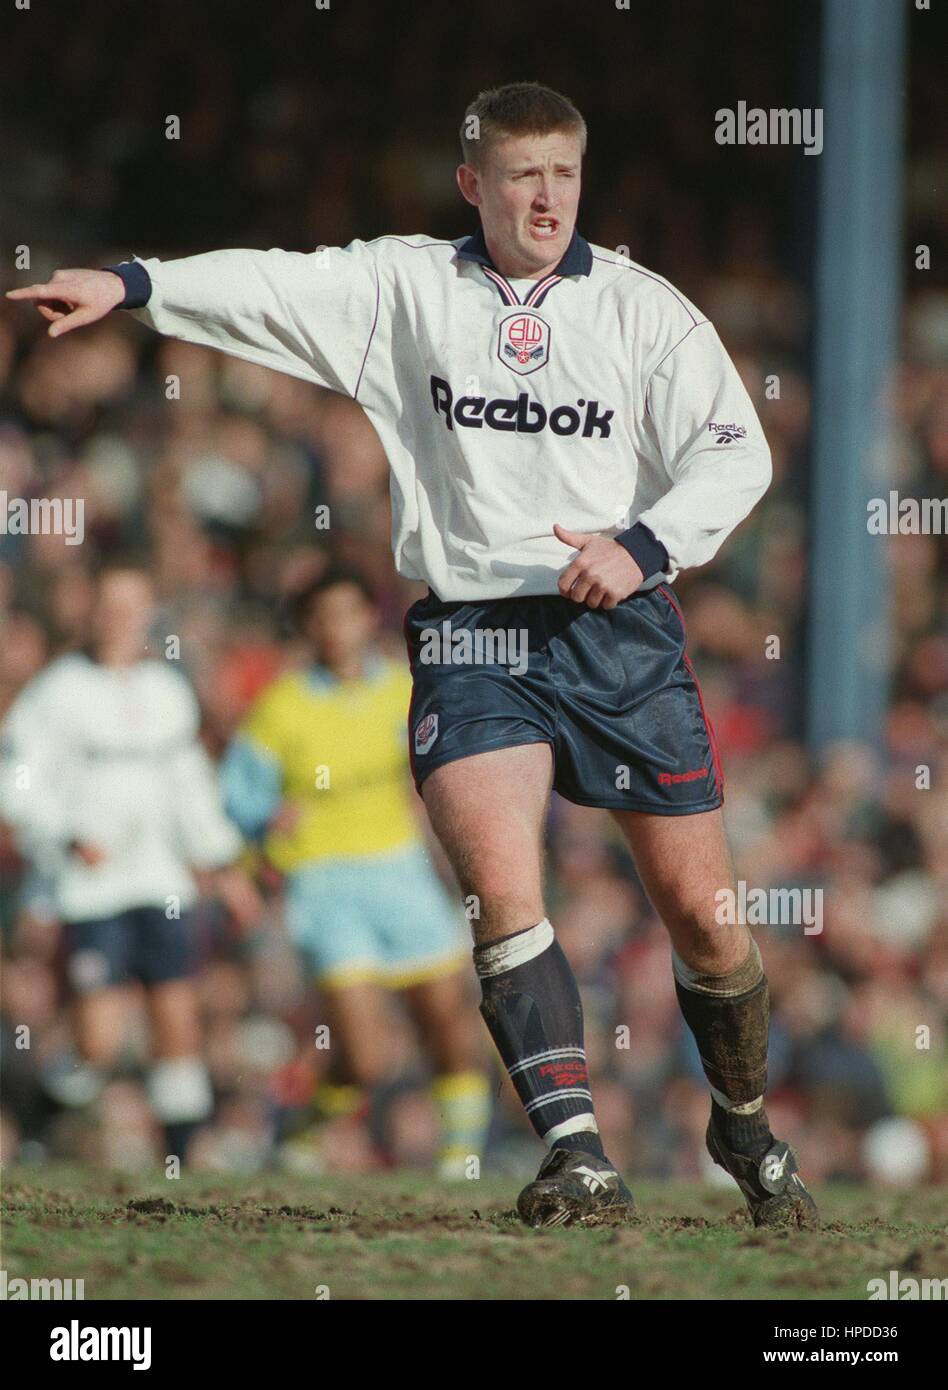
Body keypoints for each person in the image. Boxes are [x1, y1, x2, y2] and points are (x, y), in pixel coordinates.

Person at [6, 81, 817, 1227]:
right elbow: (272, 283)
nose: (547, 199)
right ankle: (577, 1154)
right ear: (471, 183)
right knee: (499, 888)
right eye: (524, 175)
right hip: (473, 632)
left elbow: (736, 456)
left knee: (704, 916)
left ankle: (742, 1119)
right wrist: (135, 283)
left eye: (566, 176)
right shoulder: (405, 286)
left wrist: (642, 545)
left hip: (616, 629)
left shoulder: (646, 311)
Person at [220, 566, 490, 1179]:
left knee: (447, 1022)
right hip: (323, 885)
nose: (337, 628)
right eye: (323, 616)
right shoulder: (280, 709)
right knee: (366, 1058)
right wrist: (252, 850)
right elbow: (236, 803)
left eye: (348, 613)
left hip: (401, 874)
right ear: (307, 627)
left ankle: (459, 1161)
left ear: (369, 618)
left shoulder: (403, 690)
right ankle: (301, 1129)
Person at [0, 562, 259, 1163]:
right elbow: (17, 780)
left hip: (160, 880)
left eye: (132, 606)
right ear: (92, 611)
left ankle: (183, 1163)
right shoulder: (56, 691)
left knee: (176, 1015)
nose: (120, 619)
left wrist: (224, 869)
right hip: (88, 887)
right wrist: (65, 834)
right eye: (109, 605)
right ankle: (45, 1111)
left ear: (149, 615)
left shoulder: (166, 693)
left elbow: (191, 787)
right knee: (100, 1035)